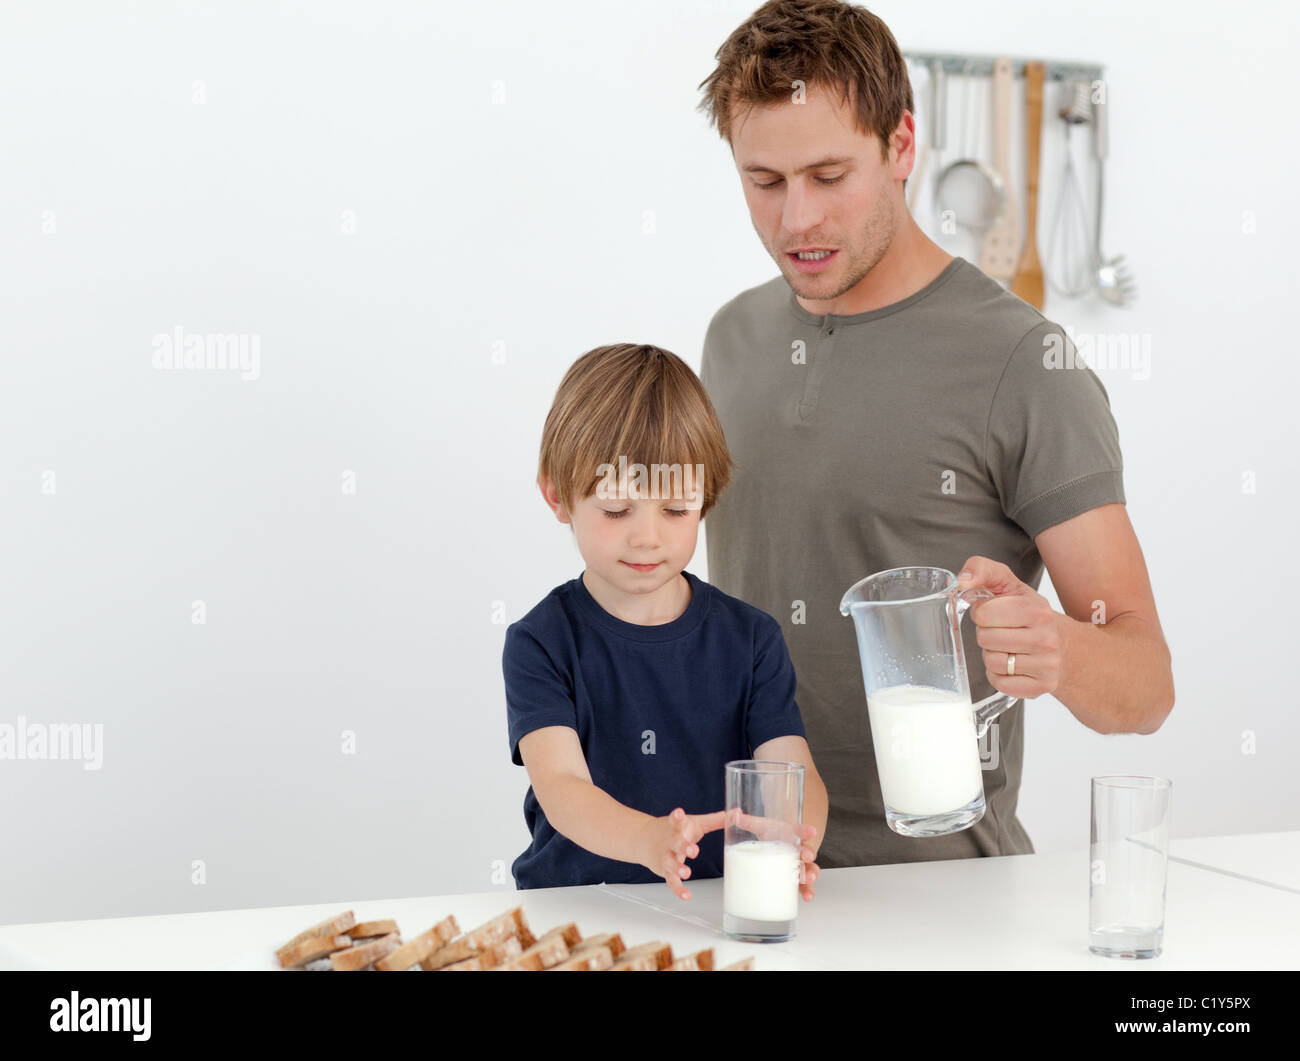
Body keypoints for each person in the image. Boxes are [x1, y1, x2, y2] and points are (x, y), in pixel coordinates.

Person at [694, 0, 1175, 869]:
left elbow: (1146, 685)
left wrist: (1059, 647)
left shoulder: (1024, 363)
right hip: (749, 871)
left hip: (942, 898)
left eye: (830, 175)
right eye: (764, 181)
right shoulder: (730, 338)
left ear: (902, 146)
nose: (797, 219)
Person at [503, 343, 830, 899]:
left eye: (676, 510)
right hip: (575, 908)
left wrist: (794, 838)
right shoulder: (541, 642)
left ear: (706, 500)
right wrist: (650, 840)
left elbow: (790, 774)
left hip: (715, 908)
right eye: (616, 510)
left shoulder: (751, 640)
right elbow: (561, 788)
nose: (648, 536)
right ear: (557, 496)